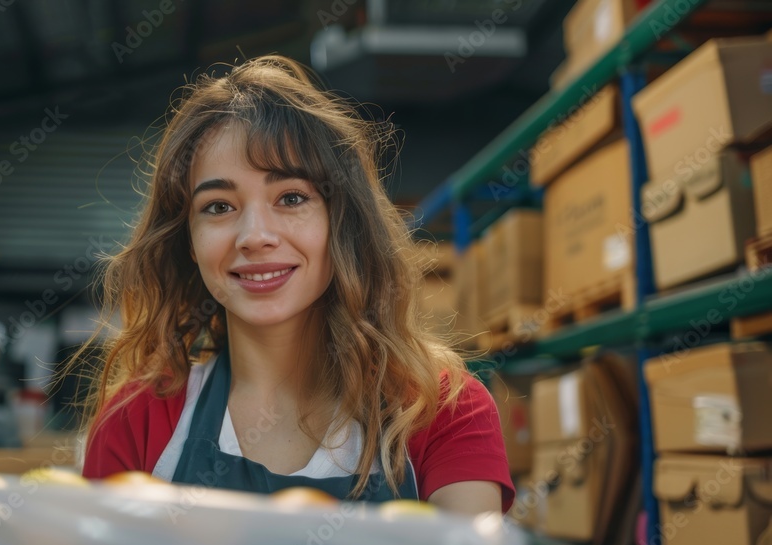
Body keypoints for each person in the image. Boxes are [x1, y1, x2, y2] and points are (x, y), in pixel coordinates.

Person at [78, 55, 514, 516]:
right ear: (188, 239)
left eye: (291, 198)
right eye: (218, 206)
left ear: (341, 221)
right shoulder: (138, 418)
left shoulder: (439, 408)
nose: (254, 236)